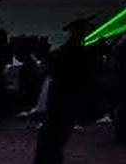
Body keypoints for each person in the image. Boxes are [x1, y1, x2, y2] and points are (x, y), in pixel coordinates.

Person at [33, 18, 97, 164]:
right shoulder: (80, 53)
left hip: (58, 96)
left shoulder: (63, 52)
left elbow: (50, 68)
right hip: (67, 98)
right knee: (58, 137)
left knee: (51, 136)